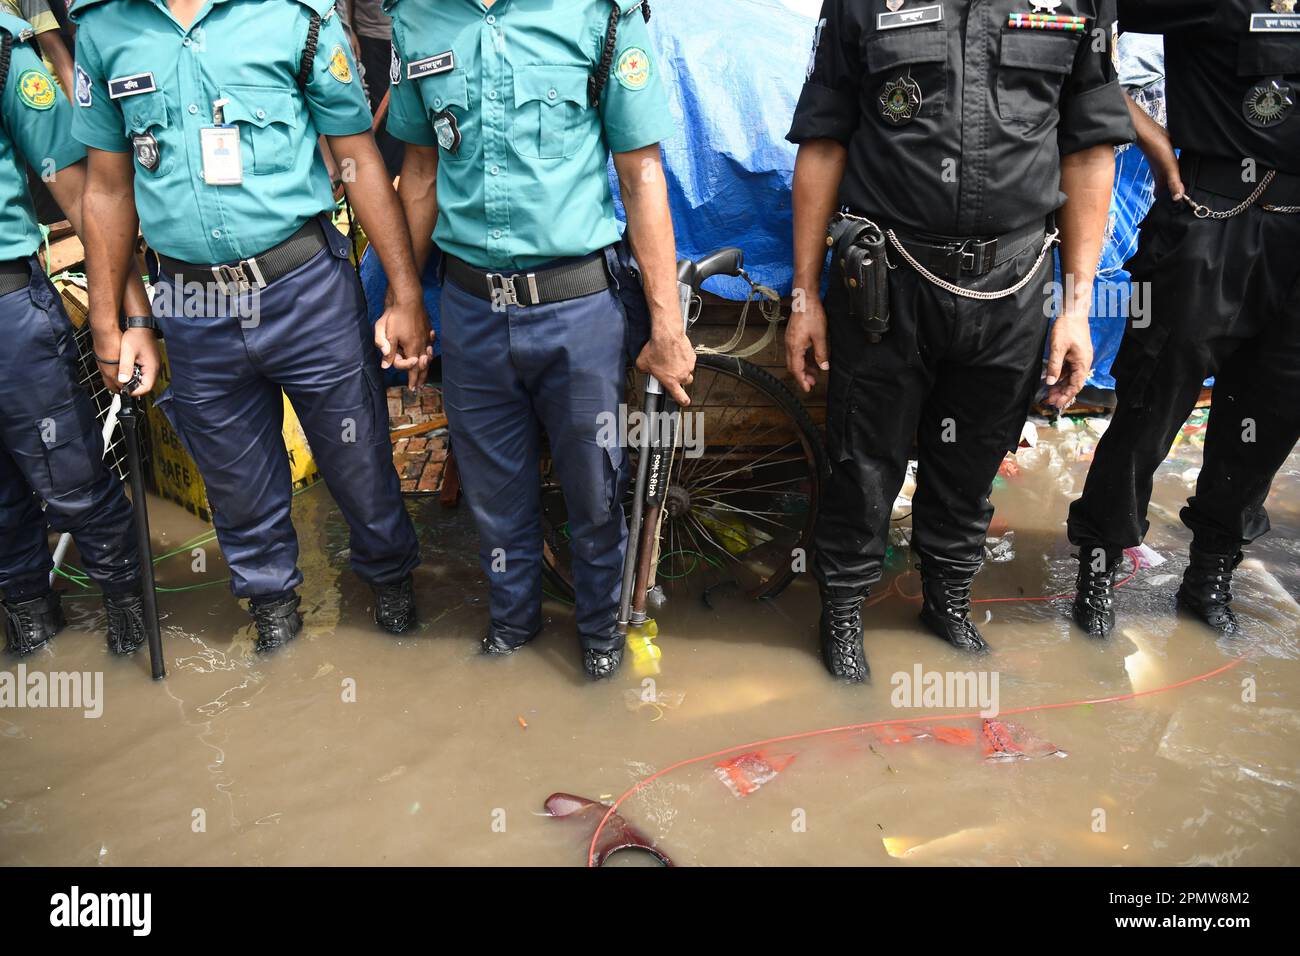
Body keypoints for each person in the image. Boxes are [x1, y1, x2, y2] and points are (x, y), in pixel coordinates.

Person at [785, 0, 1134, 681]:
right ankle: (845, 610)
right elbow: (824, 144)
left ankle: (945, 602)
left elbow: (1090, 151)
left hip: (1014, 282)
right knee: (862, 462)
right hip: (886, 280)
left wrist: (1076, 310)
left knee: (973, 462)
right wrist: (803, 297)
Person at [71, 0, 434, 651]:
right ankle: (272, 612)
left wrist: (403, 294)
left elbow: (356, 158)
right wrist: (116, 322)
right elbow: (106, 187)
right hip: (191, 302)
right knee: (235, 482)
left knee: (358, 460)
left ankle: (391, 586)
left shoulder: (296, 16)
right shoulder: (103, 28)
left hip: (305, 289)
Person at [385, 0, 693, 678]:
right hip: (471, 310)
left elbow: (640, 176)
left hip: (577, 311)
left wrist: (666, 322)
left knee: (593, 491)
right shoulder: (417, 19)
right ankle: (512, 627)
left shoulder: (598, 15)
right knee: (495, 498)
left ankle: (600, 636)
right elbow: (421, 172)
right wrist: (405, 297)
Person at [1068, 0, 1300, 638]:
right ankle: (1100, 560)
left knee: (1271, 415)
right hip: (1213, 218)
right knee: (1152, 401)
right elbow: (1082, 26)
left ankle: (1210, 574)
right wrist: (1145, 129)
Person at [0, 9, 154, 656]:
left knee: (74, 480)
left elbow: (79, 190)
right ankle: (30, 617)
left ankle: (127, 608)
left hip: (8, 309)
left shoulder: (6, 52)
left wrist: (129, 314)